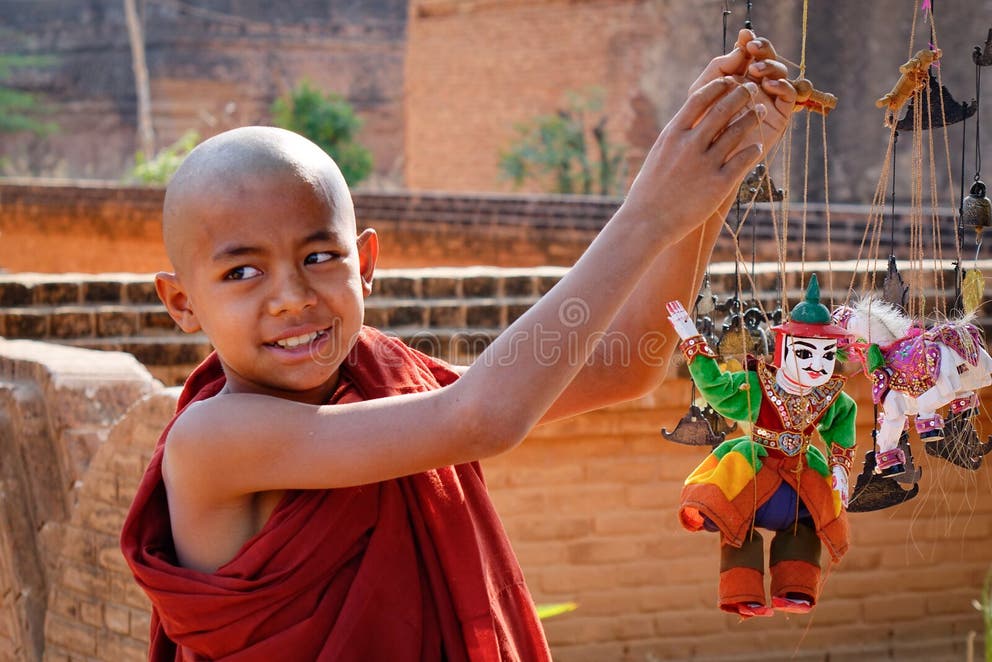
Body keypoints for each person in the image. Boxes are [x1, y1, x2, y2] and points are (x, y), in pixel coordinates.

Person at [120, 30, 797, 660]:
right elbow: (484, 416)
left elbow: (629, 366)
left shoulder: (386, 383)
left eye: (320, 256)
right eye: (242, 272)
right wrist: (649, 212)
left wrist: (712, 176)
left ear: (366, 263)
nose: (292, 295)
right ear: (182, 302)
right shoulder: (211, 440)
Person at [665, 274, 857, 619]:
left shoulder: (830, 397)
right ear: (784, 349)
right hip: (755, 467)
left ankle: (795, 589)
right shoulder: (757, 387)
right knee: (738, 527)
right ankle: (743, 595)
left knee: (807, 526)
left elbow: (843, 423)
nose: (817, 365)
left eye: (827, 355)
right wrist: (691, 340)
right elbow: (718, 388)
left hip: (801, 473)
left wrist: (840, 468)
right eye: (805, 353)